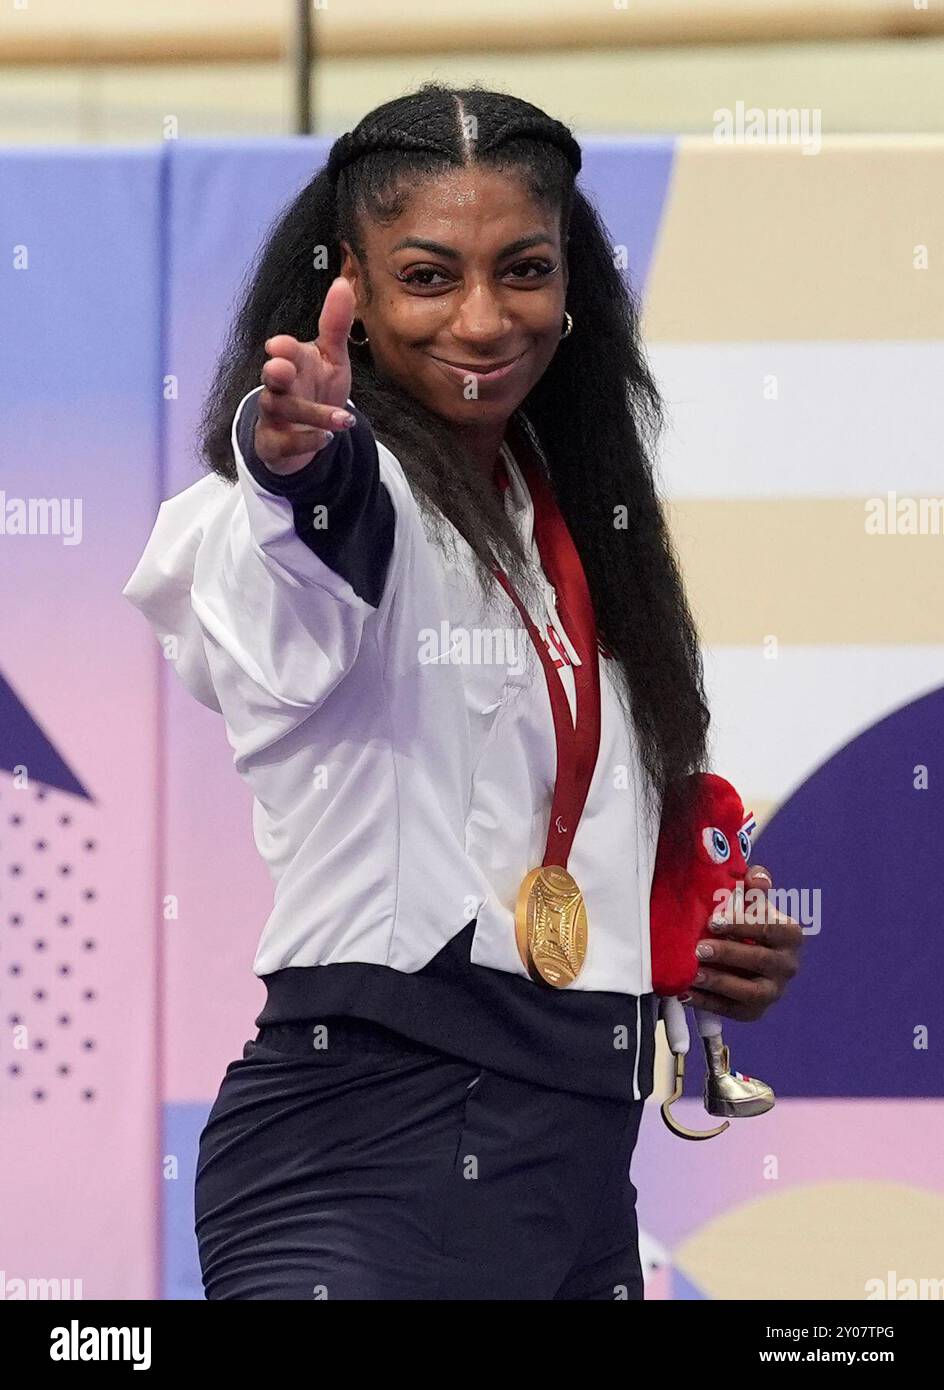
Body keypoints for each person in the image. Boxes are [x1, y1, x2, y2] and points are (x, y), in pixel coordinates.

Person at [122, 82, 802, 1301]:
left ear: (569, 284)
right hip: (362, 1159)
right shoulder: (339, 492)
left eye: (522, 270)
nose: (483, 319)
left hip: (583, 1171)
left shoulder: (571, 529)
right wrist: (296, 464)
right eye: (428, 275)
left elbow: (538, 836)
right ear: (358, 293)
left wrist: (682, 942)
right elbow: (294, 574)